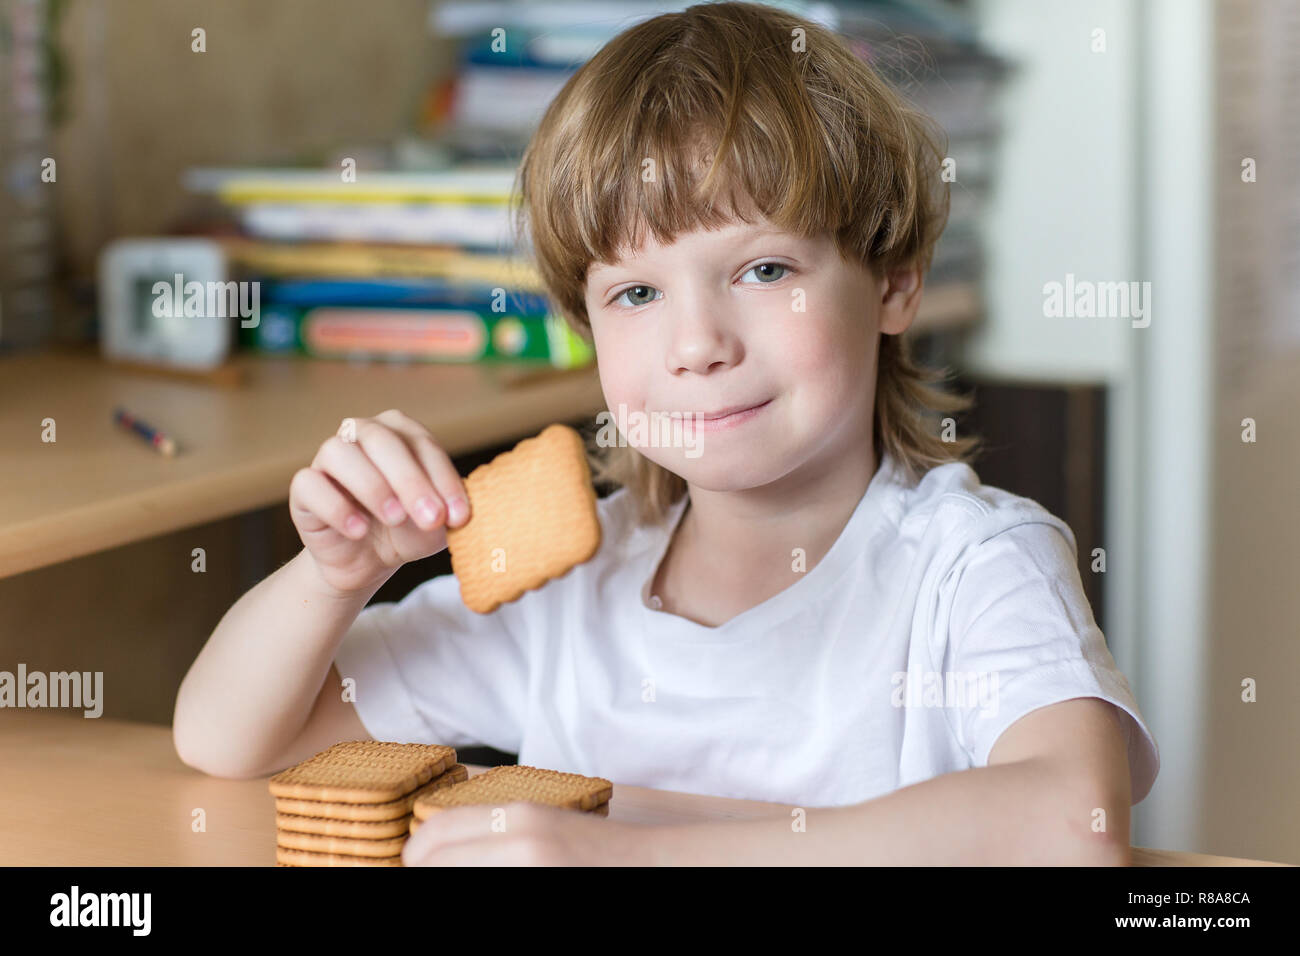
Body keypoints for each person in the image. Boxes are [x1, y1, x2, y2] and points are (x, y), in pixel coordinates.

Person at [174, 1, 1158, 865]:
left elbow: (1070, 822)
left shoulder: (973, 565)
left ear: (894, 280)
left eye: (764, 269)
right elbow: (228, 737)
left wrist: (633, 856)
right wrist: (333, 575)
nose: (696, 343)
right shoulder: (562, 586)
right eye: (637, 291)